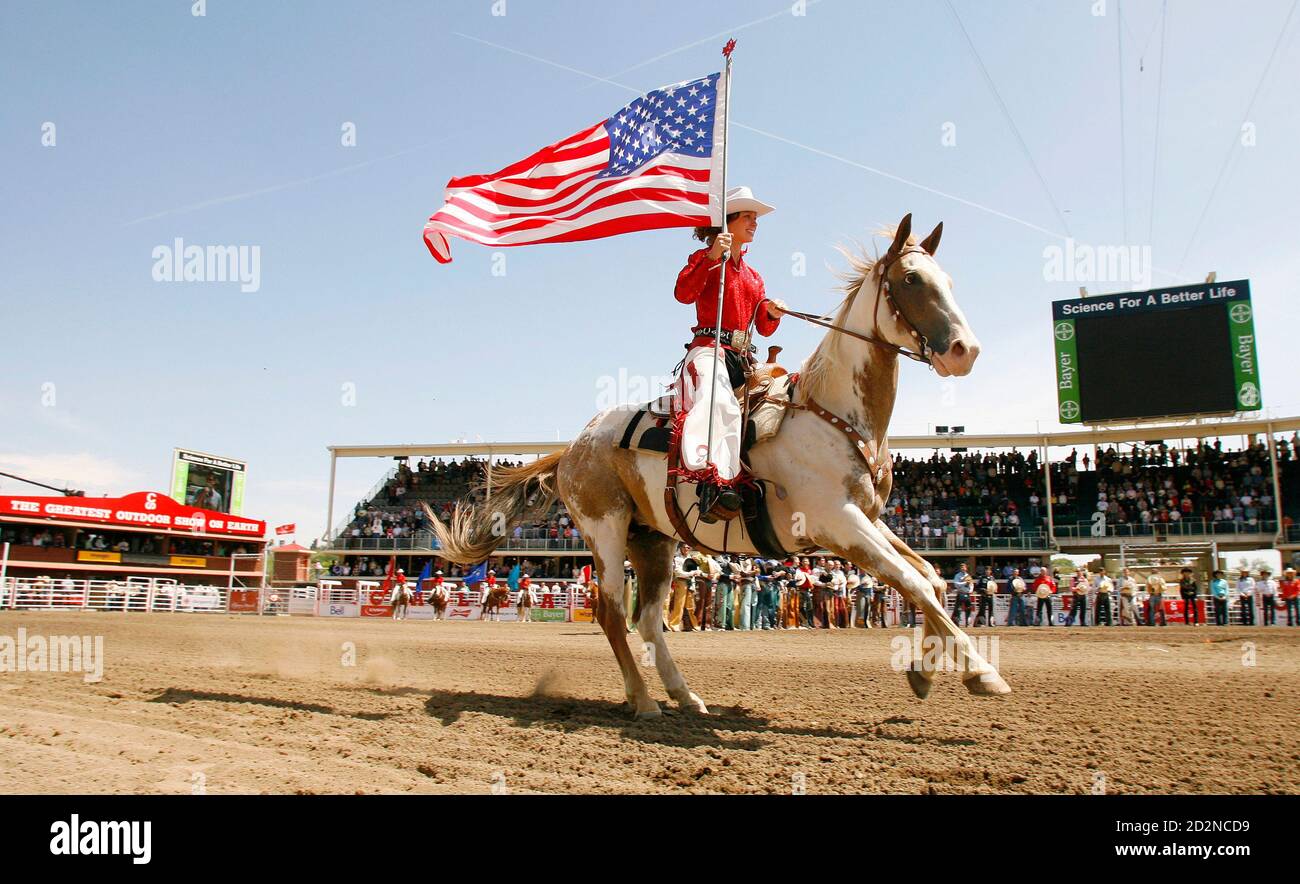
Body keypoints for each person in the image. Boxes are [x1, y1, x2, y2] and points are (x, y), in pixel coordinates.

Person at [673, 186, 786, 522]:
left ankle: (753, 481)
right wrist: (710, 259)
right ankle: (711, 484)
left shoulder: (754, 276)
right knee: (719, 403)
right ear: (728, 222)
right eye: (748, 217)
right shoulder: (703, 258)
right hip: (709, 350)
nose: (754, 223)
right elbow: (683, 293)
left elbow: (763, 328)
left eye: (754, 218)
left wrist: (773, 313)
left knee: (785, 404)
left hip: (744, 358)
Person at [951, 562, 973, 627]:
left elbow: (971, 584)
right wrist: (964, 583)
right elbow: (956, 584)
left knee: (968, 608)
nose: (963, 568)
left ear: (966, 568)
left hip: (967, 594)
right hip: (960, 594)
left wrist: (970, 590)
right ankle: (957, 623)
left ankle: (968, 622)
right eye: (961, 567)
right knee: (958, 609)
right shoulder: (957, 575)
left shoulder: (968, 576)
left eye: (964, 567)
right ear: (960, 568)